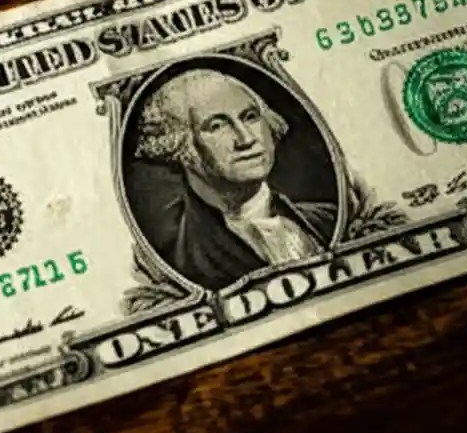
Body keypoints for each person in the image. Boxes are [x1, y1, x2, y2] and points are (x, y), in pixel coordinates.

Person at [133, 69, 337, 291]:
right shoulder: (178, 264)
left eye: (250, 117)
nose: (246, 139)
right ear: (179, 145)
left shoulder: (327, 219)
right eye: (217, 126)